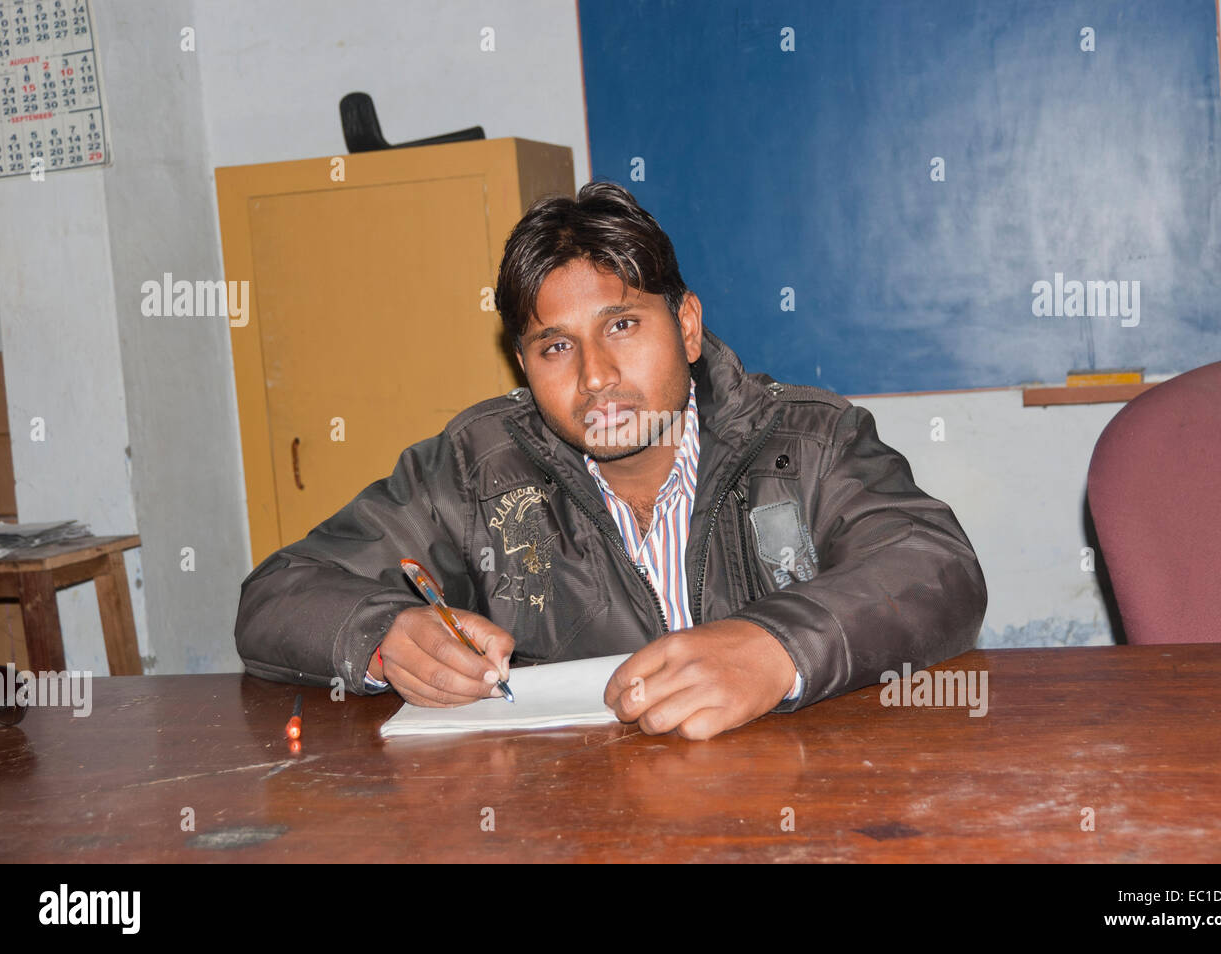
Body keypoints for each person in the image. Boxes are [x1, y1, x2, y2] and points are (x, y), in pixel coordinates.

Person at [233, 181, 987, 740]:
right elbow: (276, 595)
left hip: (805, 809)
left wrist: (775, 649)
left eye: (622, 324)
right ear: (523, 366)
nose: (594, 376)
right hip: (580, 821)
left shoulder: (807, 442)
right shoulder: (475, 468)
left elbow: (935, 567)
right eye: (555, 346)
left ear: (686, 327)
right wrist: (385, 636)